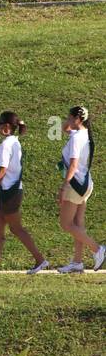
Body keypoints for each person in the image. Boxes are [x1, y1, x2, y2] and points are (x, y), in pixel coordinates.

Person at [0, 112, 48, 274]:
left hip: (9, 192)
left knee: (16, 229)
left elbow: (2, 172)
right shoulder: (15, 142)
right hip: (10, 191)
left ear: (6, 127)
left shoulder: (6, 145)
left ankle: (40, 260)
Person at [56, 105, 106, 273]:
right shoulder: (83, 134)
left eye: (70, 118)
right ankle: (77, 262)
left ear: (77, 119)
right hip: (85, 183)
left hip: (75, 185)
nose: (67, 121)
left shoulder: (77, 138)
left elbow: (73, 165)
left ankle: (98, 250)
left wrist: (64, 186)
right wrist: (69, 121)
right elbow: (65, 129)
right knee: (78, 224)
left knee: (66, 224)